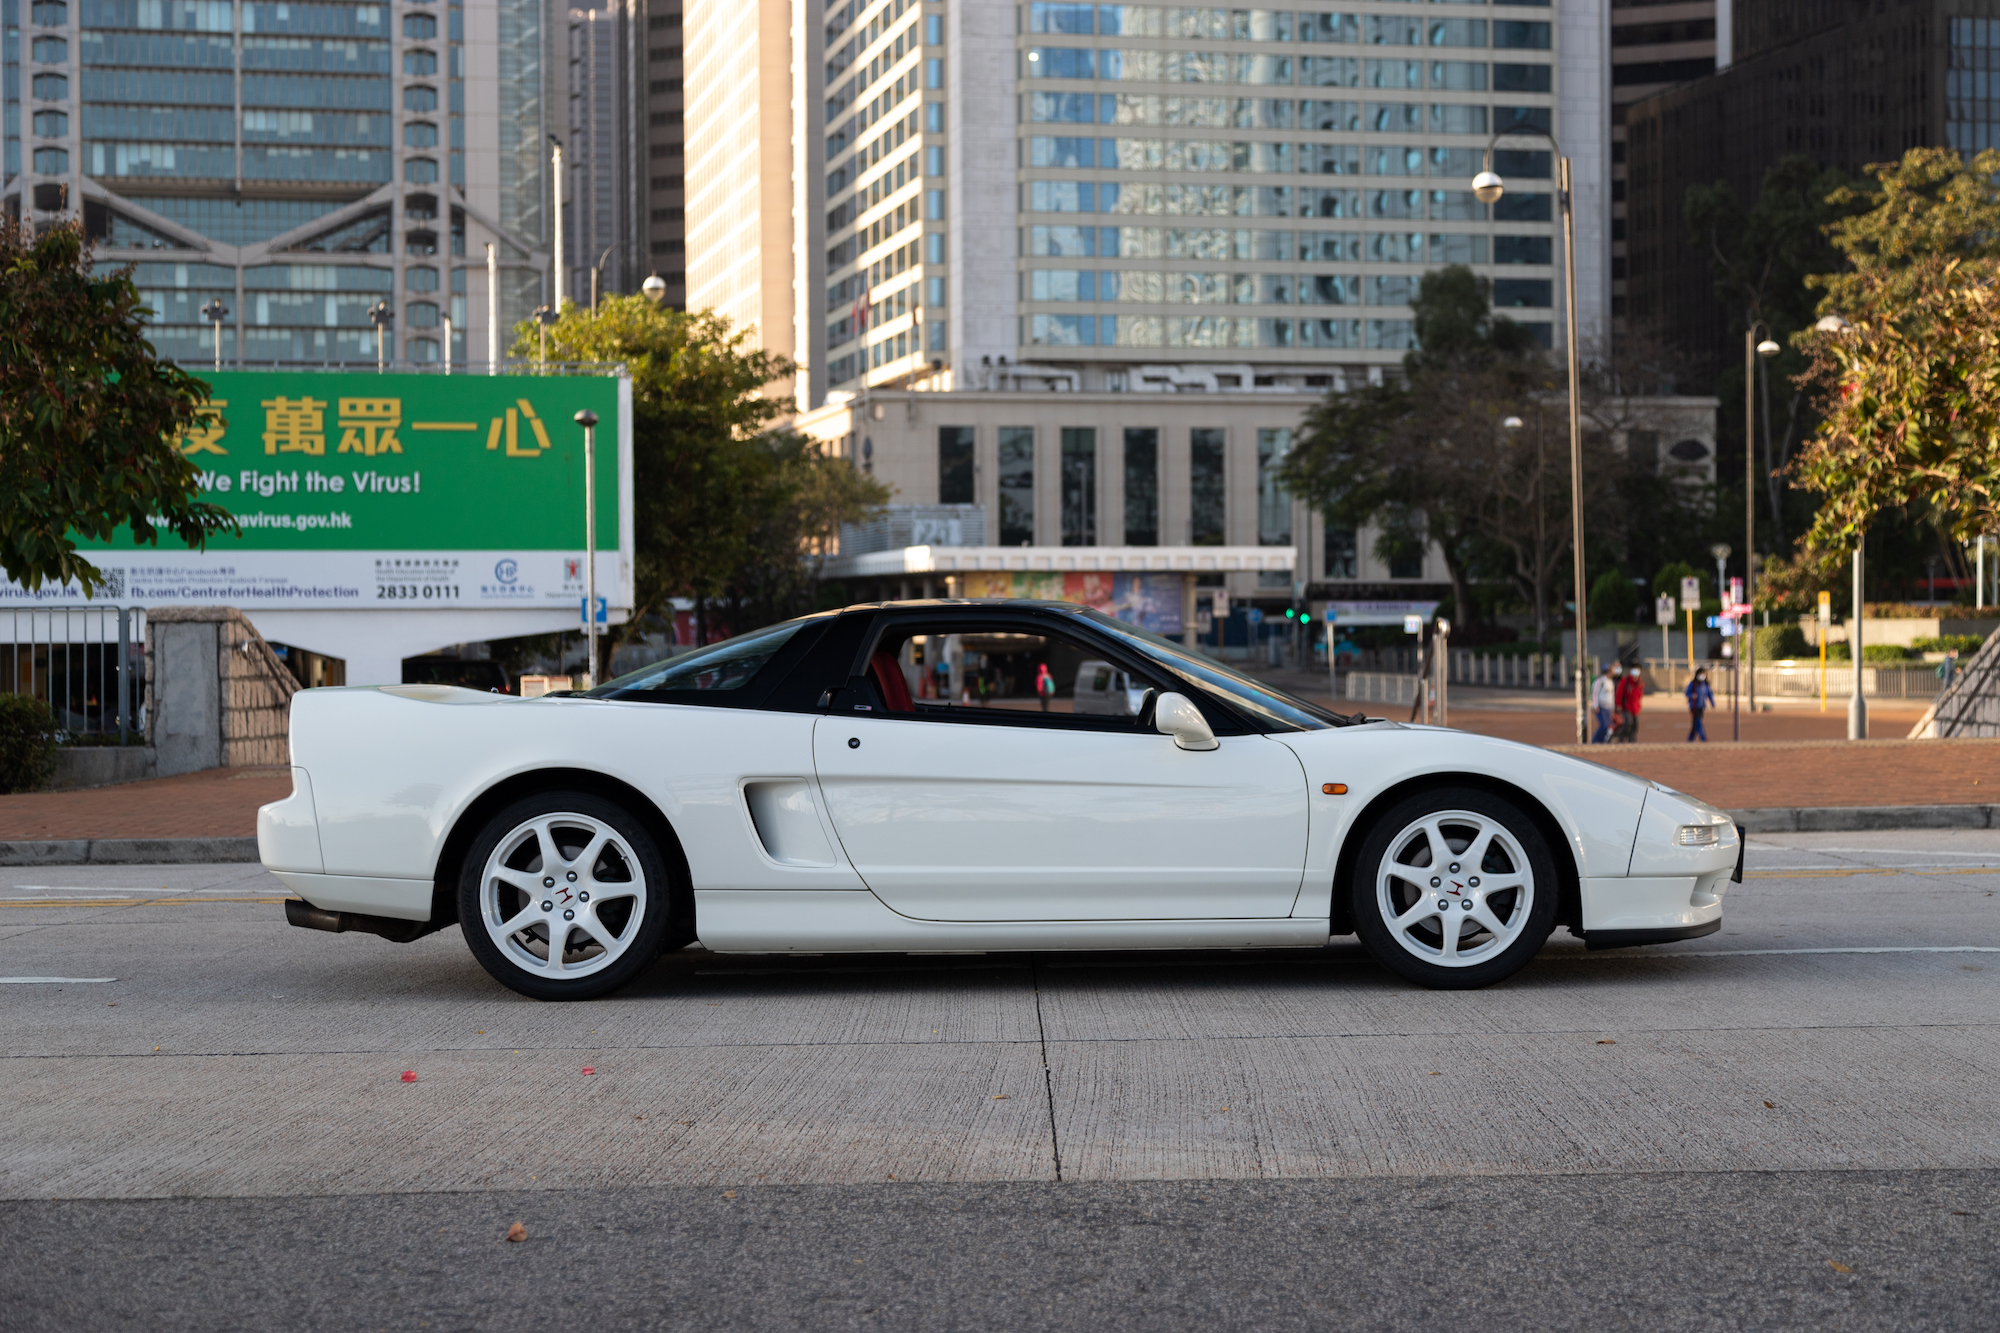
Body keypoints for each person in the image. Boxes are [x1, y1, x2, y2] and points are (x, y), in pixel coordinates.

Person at [1615, 663, 1645, 743]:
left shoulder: (1640, 683)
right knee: (1628, 723)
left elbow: (1640, 695)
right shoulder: (1625, 681)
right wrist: (1618, 705)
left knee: (1635, 726)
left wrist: (1639, 706)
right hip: (1626, 707)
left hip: (1635, 708)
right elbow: (1619, 693)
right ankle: (1621, 738)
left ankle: (1632, 742)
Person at [1590, 661, 1619, 743]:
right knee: (1604, 725)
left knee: (1608, 726)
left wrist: (1612, 707)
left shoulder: (1611, 682)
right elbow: (1594, 693)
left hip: (1608, 707)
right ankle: (1594, 741)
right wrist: (1595, 705)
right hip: (1601, 706)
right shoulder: (1600, 681)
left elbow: (1612, 696)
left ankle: (1602, 741)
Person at [1685, 667, 1714, 742]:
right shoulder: (1693, 684)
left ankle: (1690, 738)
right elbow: (1687, 693)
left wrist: (1713, 703)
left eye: (1703, 674)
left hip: (1701, 706)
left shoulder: (1705, 685)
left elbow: (1710, 694)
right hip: (1694, 706)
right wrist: (1692, 695)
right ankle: (1703, 738)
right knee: (1698, 721)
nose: (1702, 676)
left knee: (1696, 724)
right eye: (1701, 674)